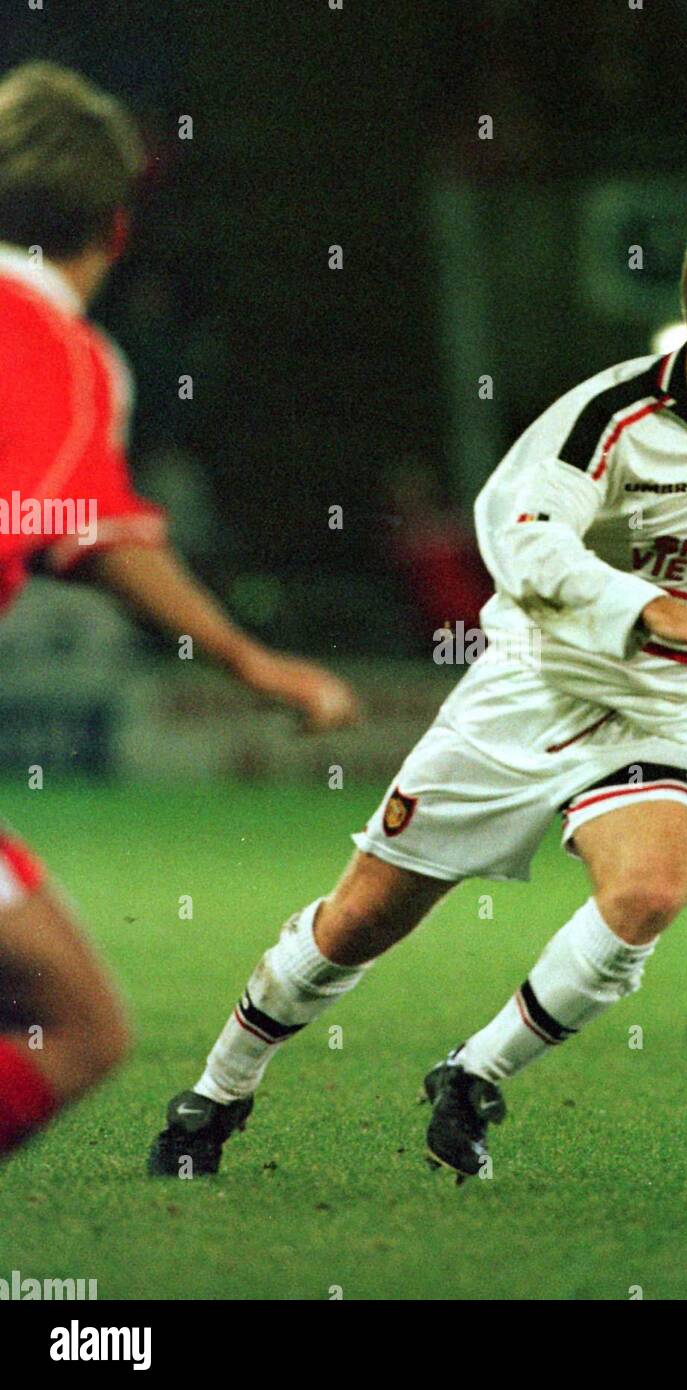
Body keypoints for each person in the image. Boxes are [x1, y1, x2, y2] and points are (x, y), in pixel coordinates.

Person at [149, 208, 687, 1182]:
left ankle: (473, 1077)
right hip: (533, 689)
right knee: (362, 919)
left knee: (651, 887)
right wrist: (645, 606)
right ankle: (217, 1092)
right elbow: (515, 534)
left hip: (665, 712)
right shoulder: (607, 417)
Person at [0, 62, 358, 1162]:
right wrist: (259, 664)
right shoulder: (58, 351)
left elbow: (85, 528)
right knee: (79, 1029)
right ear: (117, 222)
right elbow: (101, 534)